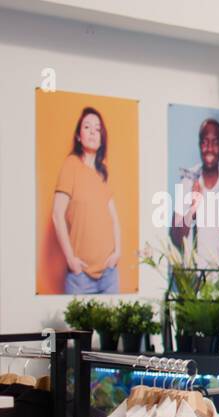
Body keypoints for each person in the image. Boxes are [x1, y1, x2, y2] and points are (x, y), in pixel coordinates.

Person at [53, 107, 122, 294]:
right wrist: (71, 261)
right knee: (77, 325)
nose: (93, 131)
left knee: (115, 324)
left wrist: (117, 253)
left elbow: (114, 219)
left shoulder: (102, 173)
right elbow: (57, 215)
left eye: (97, 128)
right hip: (80, 277)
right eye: (87, 127)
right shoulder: (71, 165)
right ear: (78, 136)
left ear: (102, 137)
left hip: (109, 275)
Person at [169, 118, 219, 268]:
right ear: (200, 145)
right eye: (205, 142)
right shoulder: (188, 182)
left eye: (215, 143)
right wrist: (192, 210)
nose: (210, 148)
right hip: (193, 282)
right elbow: (175, 238)